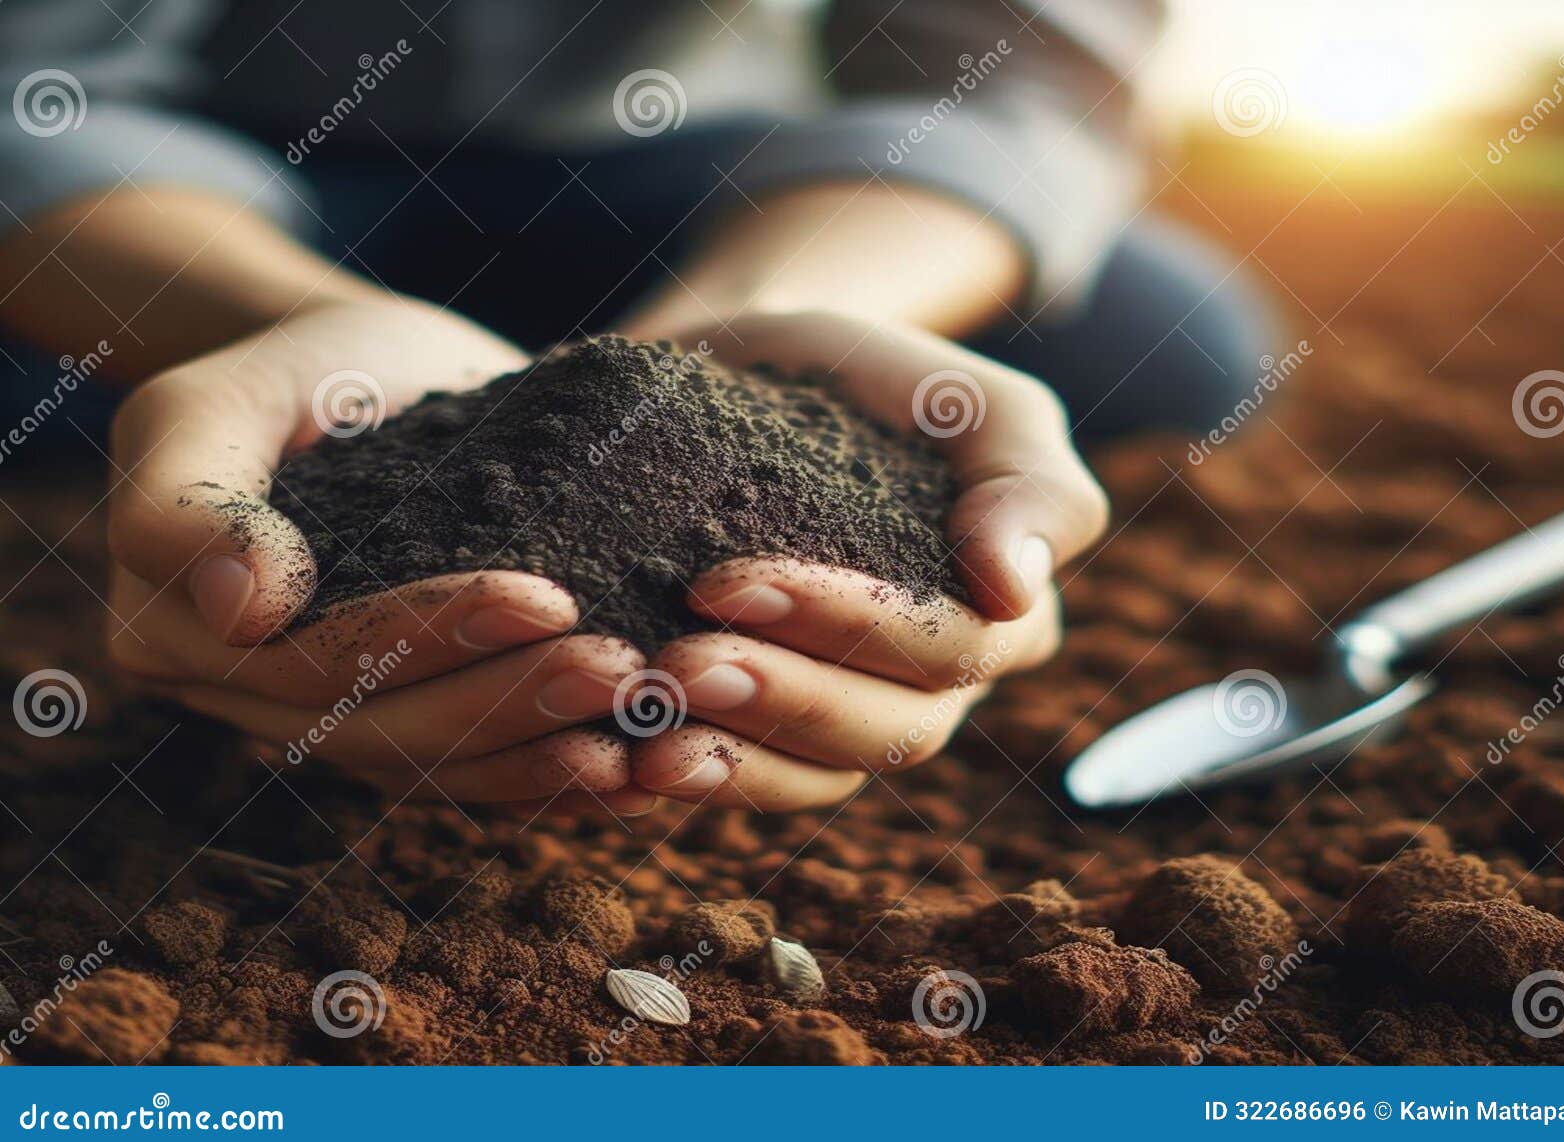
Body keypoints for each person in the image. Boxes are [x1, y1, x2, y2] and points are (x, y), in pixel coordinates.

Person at [0, 0, 1274, 817]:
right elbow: (36, 87)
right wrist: (269, 326)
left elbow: (1010, 83)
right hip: (214, 178)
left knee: (1162, 333)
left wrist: (776, 305)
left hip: (675, 177)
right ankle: (211, 360)